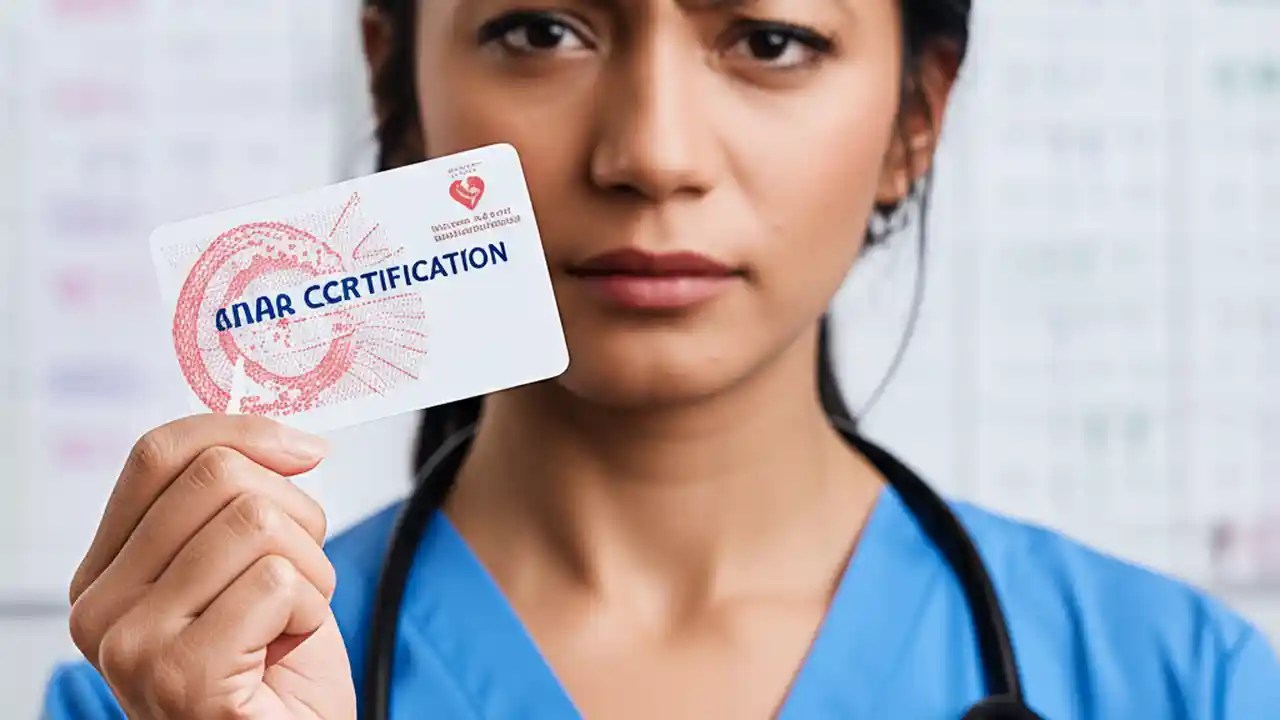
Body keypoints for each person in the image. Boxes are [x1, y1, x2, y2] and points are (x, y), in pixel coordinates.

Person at [39, 0, 1280, 717]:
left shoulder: (1175, 681)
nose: (650, 151)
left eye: (771, 41)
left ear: (916, 118)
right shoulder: (169, 682)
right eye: (541, 28)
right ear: (396, 78)